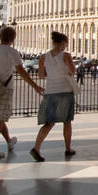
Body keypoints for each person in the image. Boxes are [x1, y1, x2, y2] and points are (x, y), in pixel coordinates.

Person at [0, 26, 43, 162]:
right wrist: (35, 85)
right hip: (5, 89)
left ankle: (9, 142)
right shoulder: (12, 52)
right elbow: (22, 72)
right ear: (13, 38)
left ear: (0, 37)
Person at [30, 31, 77, 161]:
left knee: (49, 122)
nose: (66, 46)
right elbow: (73, 71)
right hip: (64, 91)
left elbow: (40, 75)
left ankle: (36, 147)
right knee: (67, 121)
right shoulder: (66, 55)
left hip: (50, 91)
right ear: (62, 42)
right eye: (66, 43)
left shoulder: (43, 57)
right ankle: (68, 148)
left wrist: (51, 73)